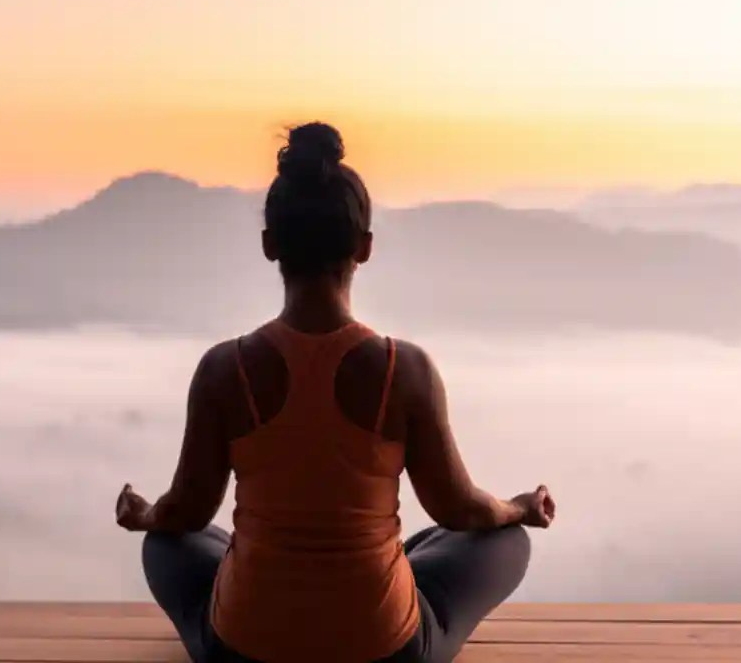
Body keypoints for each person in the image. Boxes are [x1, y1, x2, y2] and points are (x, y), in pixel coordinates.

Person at [114, 122, 556, 663]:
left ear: (269, 244)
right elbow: (461, 509)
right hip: (381, 651)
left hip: (244, 650)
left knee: (166, 542)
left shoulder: (223, 370)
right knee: (504, 539)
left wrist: (146, 516)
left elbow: (184, 512)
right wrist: (519, 507)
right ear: (364, 247)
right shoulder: (404, 369)